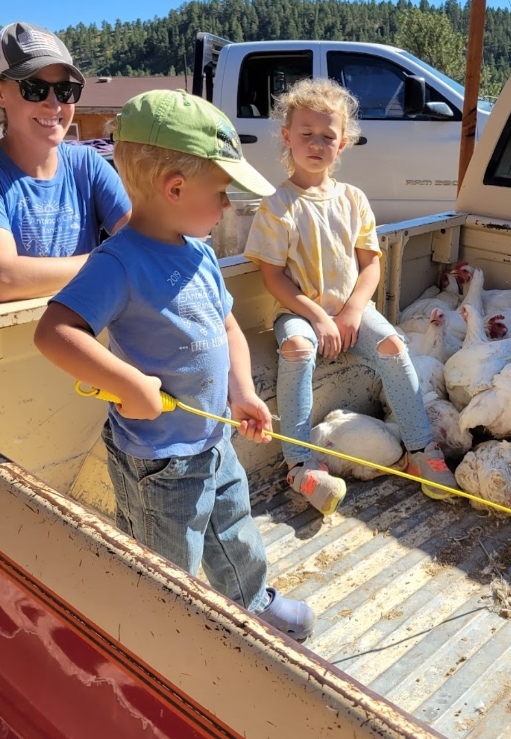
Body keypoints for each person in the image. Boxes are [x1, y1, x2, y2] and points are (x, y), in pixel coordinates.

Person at [33, 90, 315, 641]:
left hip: (212, 437)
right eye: (222, 191)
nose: (228, 204)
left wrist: (242, 393)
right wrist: (130, 383)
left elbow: (227, 326)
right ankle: (165, 638)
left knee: (233, 528)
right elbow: (56, 332)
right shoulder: (118, 262)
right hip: (158, 463)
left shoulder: (200, 250)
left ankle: (251, 603)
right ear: (176, 188)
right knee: (166, 564)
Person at [242, 77, 458, 511]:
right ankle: (300, 464)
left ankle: (420, 451)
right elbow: (274, 278)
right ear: (287, 137)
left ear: (342, 145)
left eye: (328, 136)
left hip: (349, 311)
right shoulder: (277, 205)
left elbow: (371, 264)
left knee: (395, 347)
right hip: (299, 311)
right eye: (306, 134)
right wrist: (320, 320)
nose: (316, 144)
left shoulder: (353, 199)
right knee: (299, 349)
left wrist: (352, 313)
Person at [0, 22, 131, 309]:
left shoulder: (88, 165)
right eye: (34, 88)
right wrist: (116, 261)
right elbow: (2, 279)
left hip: (81, 346)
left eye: (65, 90)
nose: (53, 103)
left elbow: (144, 240)